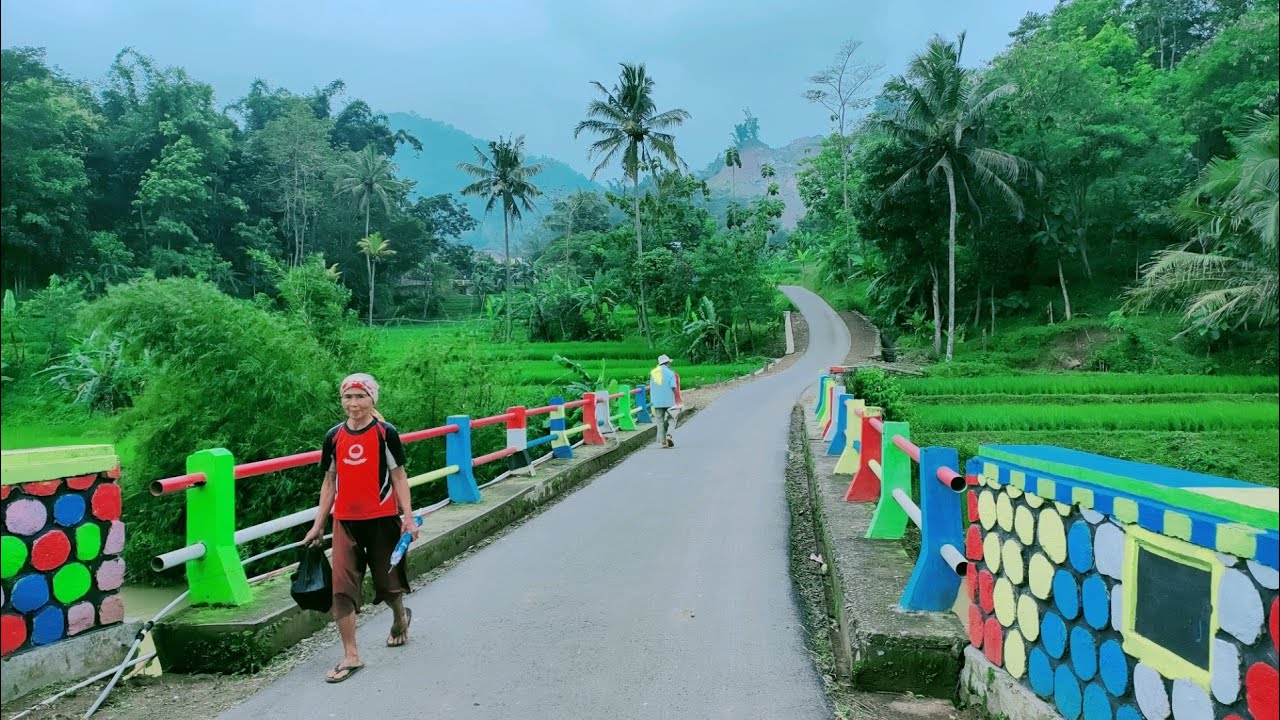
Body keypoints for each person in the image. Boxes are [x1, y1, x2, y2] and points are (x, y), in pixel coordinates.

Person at [302, 373, 419, 684]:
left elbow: (399, 477)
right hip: (345, 523)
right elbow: (329, 482)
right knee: (341, 589)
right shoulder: (333, 437)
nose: (353, 404)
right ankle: (351, 655)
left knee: (389, 583)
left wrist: (407, 517)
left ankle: (399, 617)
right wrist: (318, 524)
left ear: (372, 399)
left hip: (382, 520)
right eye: (348, 397)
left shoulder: (385, 433)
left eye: (360, 397)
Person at [648, 354, 683, 448]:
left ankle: (663, 443)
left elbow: (652, 387)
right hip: (669, 401)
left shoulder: (653, 373)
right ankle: (669, 435)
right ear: (667, 363)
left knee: (660, 422)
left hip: (657, 402)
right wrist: (678, 397)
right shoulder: (670, 373)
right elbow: (673, 387)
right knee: (672, 418)